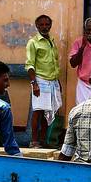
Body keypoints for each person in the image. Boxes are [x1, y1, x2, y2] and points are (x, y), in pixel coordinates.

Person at [24, 14, 62, 147]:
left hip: (53, 81)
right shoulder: (33, 42)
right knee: (38, 111)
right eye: (42, 25)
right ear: (37, 26)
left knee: (49, 111)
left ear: (50, 25)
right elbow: (29, 65)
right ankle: (34, 141)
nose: (45, 27)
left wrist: (58, 83)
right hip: (40, 80)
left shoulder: (51, 40)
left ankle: (44, 140)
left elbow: (55, 63)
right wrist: (34, 83)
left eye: (47, 24)